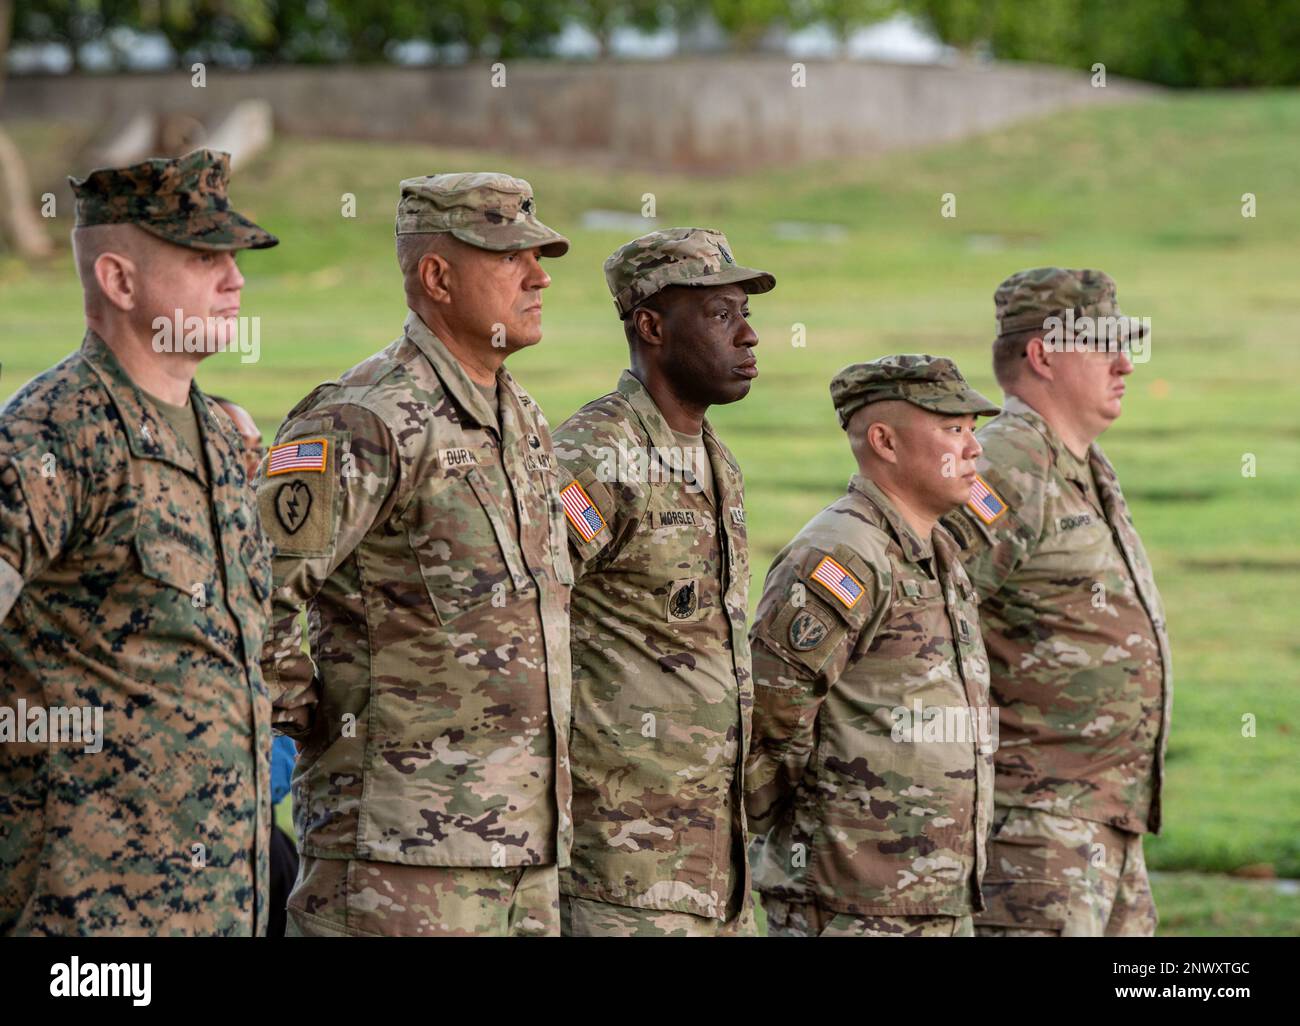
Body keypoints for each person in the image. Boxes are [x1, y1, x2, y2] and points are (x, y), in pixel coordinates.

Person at [257, 172, 574, 936]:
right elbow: (251, 589)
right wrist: (318, 713)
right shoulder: (364, 419)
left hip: (524, 854)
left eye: (537, 255)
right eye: (509, 258)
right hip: (396, 862)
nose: (539, 275)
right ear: (436, 276)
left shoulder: (519, 416)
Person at [0, 149, 277, 935]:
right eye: (202, 258)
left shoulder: (222, 437)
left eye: (232, 256)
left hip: (223, 901)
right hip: (91, 923)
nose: (235, 280)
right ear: (120, 282)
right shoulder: (54, 434)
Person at [553, 227, 774, 936]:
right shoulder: (600, 453)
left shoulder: (717, 461)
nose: (749, 336)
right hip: (620, 874)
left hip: (713, 874)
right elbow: (519, 610)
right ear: (650, 326)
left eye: (745, 312)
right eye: (719, 314)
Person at [941, 267, 1170, 936]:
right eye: (1104, 345)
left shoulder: (1079, 463)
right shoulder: (1007, 466)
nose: (1126, 363)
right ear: (1042, 356)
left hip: (1101, 831)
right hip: (1033, 837)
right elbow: (915, 616)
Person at [746, 355, 999, 937]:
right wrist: (790, 835)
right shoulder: (845, 553)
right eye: (952, 429)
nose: (974, 448)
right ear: (884, 441)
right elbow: (773, 713)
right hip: (851, 901)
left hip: (928, 896)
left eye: (973, 430)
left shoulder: (934, 552)